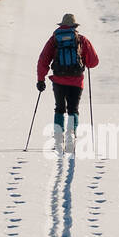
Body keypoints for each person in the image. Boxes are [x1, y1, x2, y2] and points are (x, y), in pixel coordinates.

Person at [36, 13, 99, 153]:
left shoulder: (54, 40)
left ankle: (58, 139)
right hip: (76, 81)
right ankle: (71, 137)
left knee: (59, 108)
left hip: (58, 80)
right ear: (75, 26)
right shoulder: (81, 39)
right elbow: (94, 61)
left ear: (61, 25)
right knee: (73, 109)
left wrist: (41, 79)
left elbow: (43, 60)